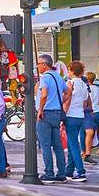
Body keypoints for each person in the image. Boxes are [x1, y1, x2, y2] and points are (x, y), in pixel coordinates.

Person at [35, 54, 67, 183]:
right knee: (58, 145)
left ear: (44, 64)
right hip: (57, 113)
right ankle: (62, 173)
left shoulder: (45, 78)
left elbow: (44, 94)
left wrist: (40, 110)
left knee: (46, 144)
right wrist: (60, 103)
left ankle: (49, 173)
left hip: (46, 113)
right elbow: (68, 91)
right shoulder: (58, 77)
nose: (38, 66)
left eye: (39, 64)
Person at [62, 60, 90, 183]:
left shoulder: (70, 82)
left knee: (73, 144)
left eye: (68, 69)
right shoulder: (84, 84)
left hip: (71, 115)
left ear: (72, 71)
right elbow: (85, 102)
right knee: (71, 143)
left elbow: (67, 100)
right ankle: (69, 170)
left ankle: (81, 171)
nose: (67, 72)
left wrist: (63, 115)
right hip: (80, 115)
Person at [84, 71, 99, 162]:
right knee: (97, 132)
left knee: (87, 134)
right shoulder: (98, 89)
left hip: (89, 113)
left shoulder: (85, 88)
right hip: (97, 113)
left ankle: (85, 152)